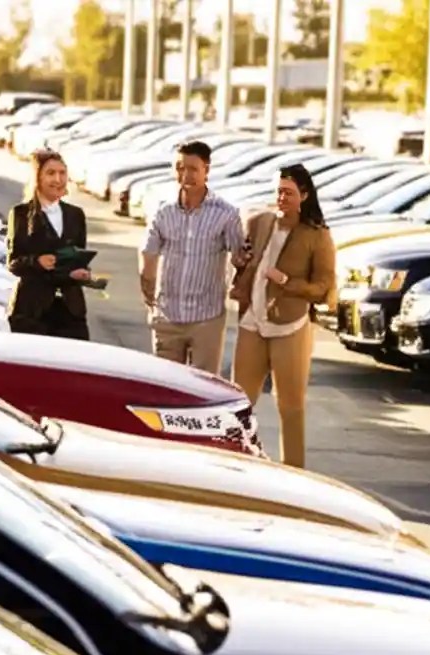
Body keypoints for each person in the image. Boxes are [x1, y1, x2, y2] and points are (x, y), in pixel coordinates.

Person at [229, 164, 336, 468]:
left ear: (304, 195)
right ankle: (234, 460)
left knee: (290, 406)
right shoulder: (258, 222)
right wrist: (239, 262)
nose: (281, 198)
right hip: (252, 321)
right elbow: (241, 262)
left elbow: (323, 288)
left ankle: (293, 470)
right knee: (238, 401)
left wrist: (288, 282)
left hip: (290, 326)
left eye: (288, 192)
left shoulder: (317, 235)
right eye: (278, 191)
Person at [138, 140, 245, 374]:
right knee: (165, 386)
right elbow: (148, 253)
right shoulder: (162, 212)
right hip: (168, 315)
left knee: (202, 388)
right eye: (179, 167)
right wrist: (149, 294)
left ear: (206, 170)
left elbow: (240, 257)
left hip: (206, 318)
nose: (185, 174)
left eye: (193, 169)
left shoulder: (226, 214)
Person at [5, 149, 93, 340]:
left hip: (70, 312)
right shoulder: (21, 214)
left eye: (62, 173)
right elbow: (13, 263)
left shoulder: (75, 215)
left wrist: (82, 274)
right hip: (32, 312)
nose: (58, 179)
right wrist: (37, 262)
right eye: (51, 173)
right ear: (38, 177)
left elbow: (80, 258)